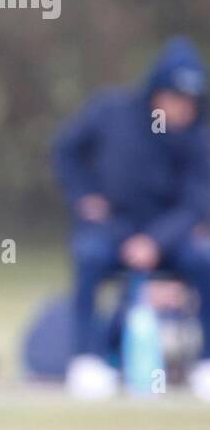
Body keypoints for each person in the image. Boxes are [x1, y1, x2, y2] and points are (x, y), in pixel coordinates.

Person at [54, 37, 210, 400]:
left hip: (170, 237)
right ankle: (87, 361)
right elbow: (66, 151)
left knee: (203, 260)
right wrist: (84, 196)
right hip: (114, 231)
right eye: (175, 98)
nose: (182, 109)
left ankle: (205, 362)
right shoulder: (111, 113)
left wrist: (156, 241)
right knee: (88, 254)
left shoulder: (198, 139)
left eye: (189, 102)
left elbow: (197, 200)